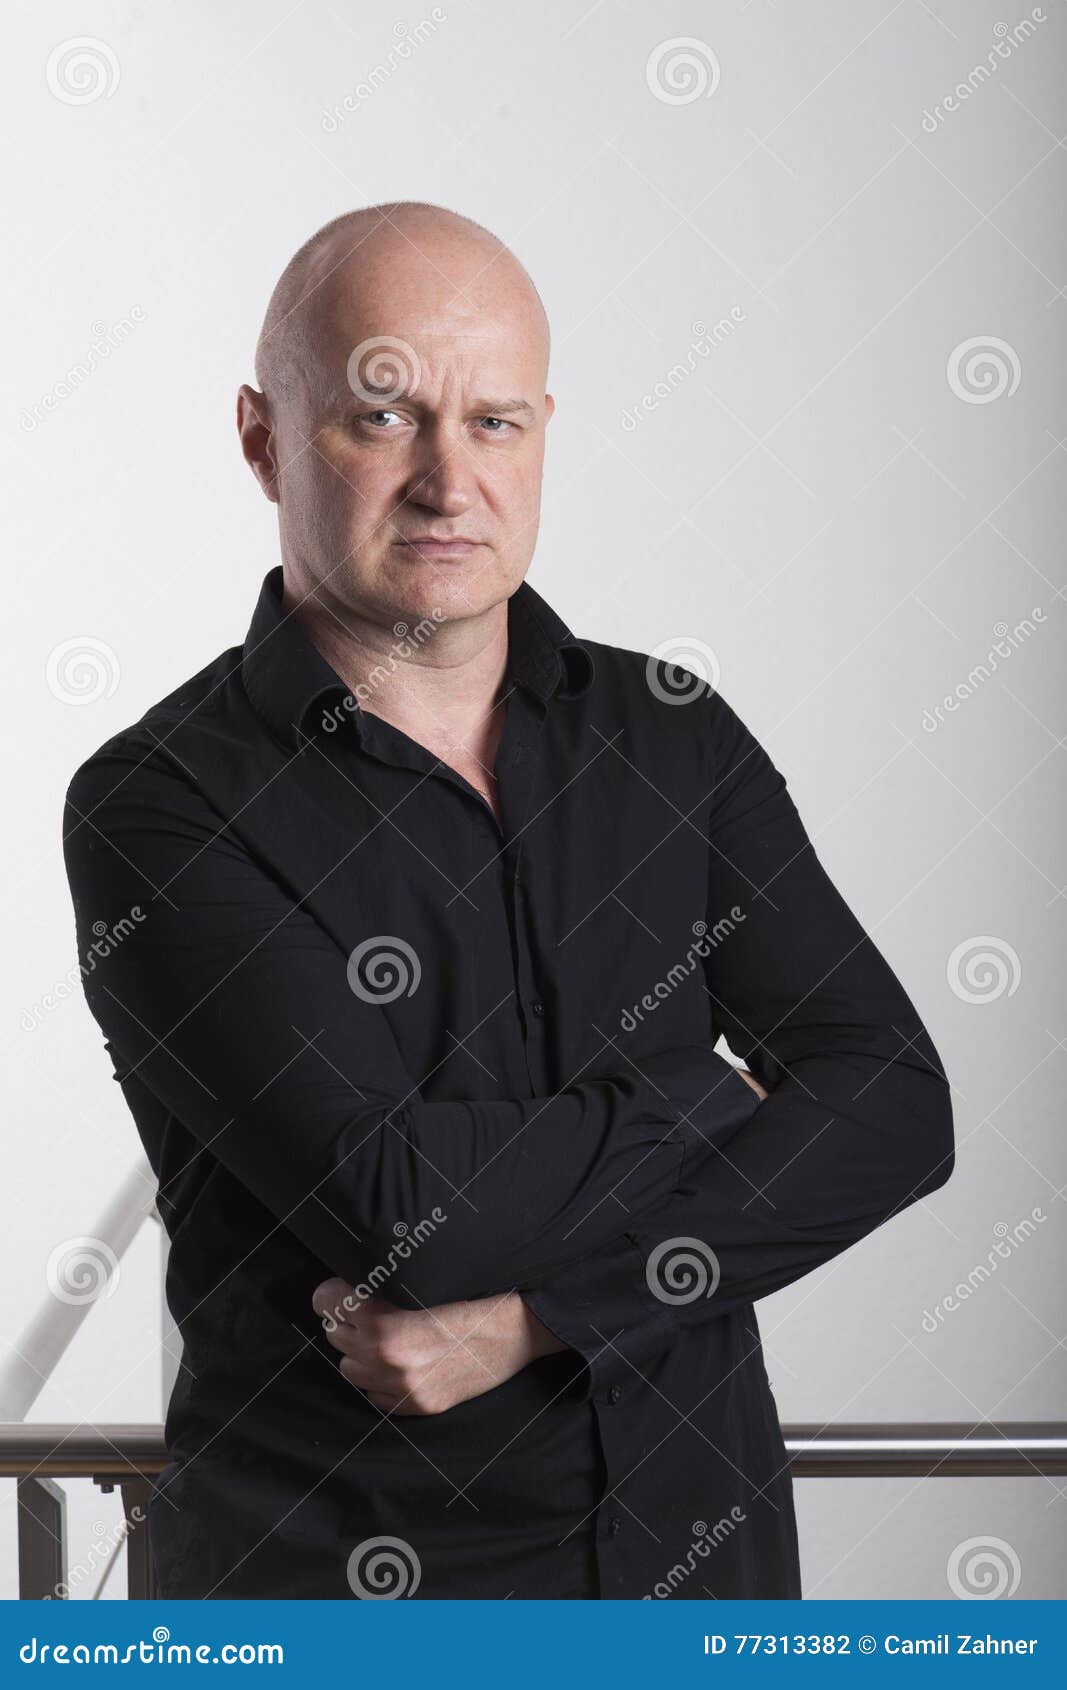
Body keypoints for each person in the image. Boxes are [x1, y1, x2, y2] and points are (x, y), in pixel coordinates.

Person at [62, 200, 954, 1600]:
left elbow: (898, 1107)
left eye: (494, 422)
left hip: (700, 1574)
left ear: (543, 435)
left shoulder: (672, 736)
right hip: (352, 1605)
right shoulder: (160, 800)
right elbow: (400, 1207)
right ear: (261, 437)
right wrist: (716, 1094)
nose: (446, 480)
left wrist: (544, 1317)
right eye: (382, 416)